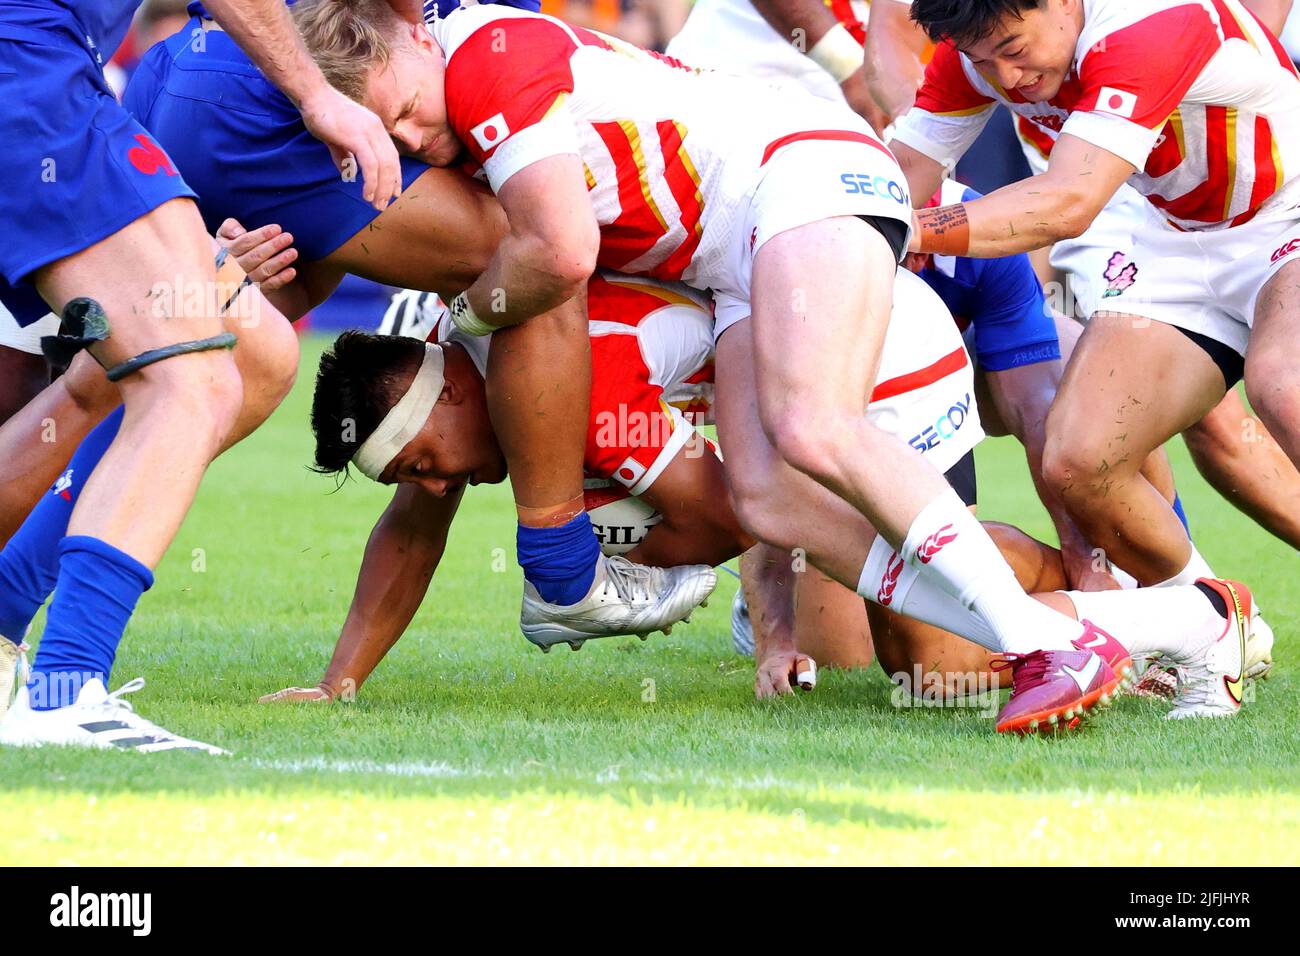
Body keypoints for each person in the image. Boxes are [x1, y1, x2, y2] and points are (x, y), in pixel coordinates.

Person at [0, 0, 405, 752]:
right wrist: (320, 96)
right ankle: (63, 691)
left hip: (54, 77)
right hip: (27, 71)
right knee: (192, 380)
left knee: (255, 351)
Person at [893, 0, 1300, 601]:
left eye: (1013, 50)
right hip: (1174, 237)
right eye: (984, 60)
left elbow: (1068, 204)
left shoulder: (1147, 22)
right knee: (1079, 462)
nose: (1005, 78)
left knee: (1282, 384)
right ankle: (1212, 621)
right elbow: (906, 173)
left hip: (1287, 211)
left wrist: (907, 230)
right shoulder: (976, 55)